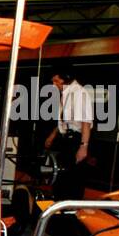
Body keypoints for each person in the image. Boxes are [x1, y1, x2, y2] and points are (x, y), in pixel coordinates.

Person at [44, 65, 93, 200]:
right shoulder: (65, 94)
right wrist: (53, 135)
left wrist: (83, 146)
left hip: (76, 139)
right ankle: (59, 207)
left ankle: (70, 212)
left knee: (73, 181)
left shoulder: (80, 93)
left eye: (56, 81)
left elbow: (86, 122)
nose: (54, 85)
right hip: (65, 138)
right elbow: (65, 121)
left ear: (66, 78)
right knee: (60, 179)